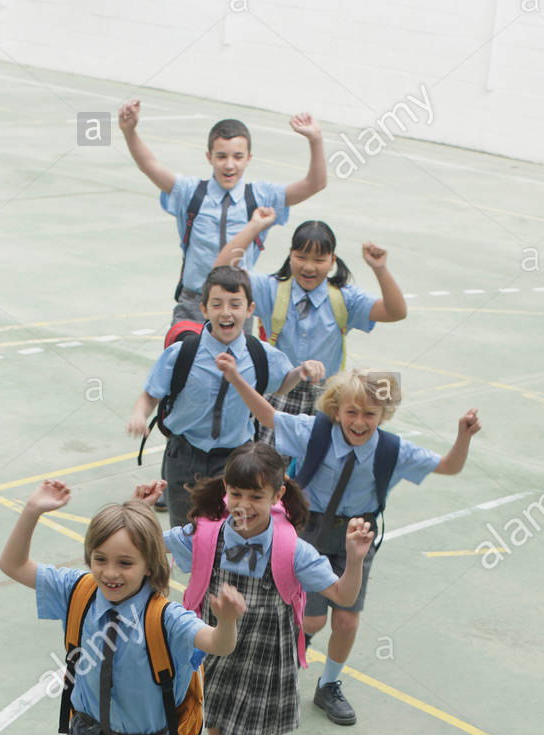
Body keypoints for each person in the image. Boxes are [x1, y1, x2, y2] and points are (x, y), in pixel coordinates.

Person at [215, 358, 482, 726]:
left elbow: (449, 466)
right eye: (352, 411)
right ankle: (288, 661)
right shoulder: (315, 432)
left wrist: (463, 437)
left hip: (357, 537)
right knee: (310, 620)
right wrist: (234, 377)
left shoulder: (393, 450)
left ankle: (329, 684)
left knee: (347, 622)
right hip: (309, 530)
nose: (360, 421)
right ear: (336, 410)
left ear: (383, 415)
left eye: (370, 413)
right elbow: (268, 416)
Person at [136, 442, 372, 735]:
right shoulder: (205, 536)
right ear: (226, 490)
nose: (244, 504)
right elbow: (144, 543)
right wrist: (138, 509)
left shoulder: (291, 549)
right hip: (210, 648)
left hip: (262, 654)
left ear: (278, 496)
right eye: (237, 494)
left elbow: (343, 594)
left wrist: (353, 558)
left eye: (256, 496)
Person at [0, 480, 245, 735]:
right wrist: (32, 511)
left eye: (125, 563)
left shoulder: (165, 616)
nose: (110, 572)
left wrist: (227, 621)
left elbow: (218, 644)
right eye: (99, 559)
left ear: (151, 564)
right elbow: (12, 564)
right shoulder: (78, 591)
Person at [127, 265, 323, 530]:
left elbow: (281, 385)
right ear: (204, 309)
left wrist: (300, 372)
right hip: (184, 454)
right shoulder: (182, 353)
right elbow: (151, 394)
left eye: (235, 304)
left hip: (234, 458)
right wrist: (140, 415)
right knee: (185, 532)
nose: (226, 312)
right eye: (217, 304)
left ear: (250, 309)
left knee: (229, 531)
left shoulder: (260, 354)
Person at [117, 102, 327, 325]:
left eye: (237, 157)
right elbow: (150, 166)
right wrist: (129, 132)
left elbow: (315, 183)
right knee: (184, 359)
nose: (229, 165)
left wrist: (315, 139)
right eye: (221, 156)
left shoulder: (261, 196)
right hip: (194, 304)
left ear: (249, 158)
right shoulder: (191, 193)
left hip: (238, 304)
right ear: (209, 157)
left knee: (236, 361)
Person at [216, 213, 408, 438]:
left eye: (319, 260)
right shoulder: (271, 289)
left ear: (332, 261)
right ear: (290, 256)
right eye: (301, 257)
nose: (309, 267)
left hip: (326, 399)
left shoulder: (345, 299)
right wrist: (255, 226)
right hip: (278, 392)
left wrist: (380, 268)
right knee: (267, 467)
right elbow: (220, 274)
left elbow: (396, 312)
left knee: (319, 468)